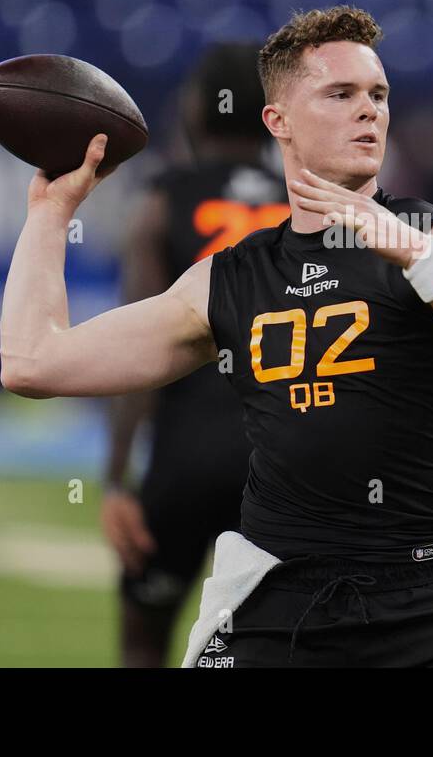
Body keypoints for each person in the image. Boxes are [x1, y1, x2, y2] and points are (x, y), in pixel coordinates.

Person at [0, 6, 433, 667]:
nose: (370, 111)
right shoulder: (230, 279)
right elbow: (34, 362)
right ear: (279, 122)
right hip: (278, 605)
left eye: (378, 95)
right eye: (341, 93)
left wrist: (420, 259)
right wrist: (49, 213)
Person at [101, 43, 288, 667]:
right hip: (279, 457)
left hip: (183, 456)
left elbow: (137, 353)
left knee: (143, 642)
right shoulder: (306, 204)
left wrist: (115, 478)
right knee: (282, 649)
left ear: (198, 110)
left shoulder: (160, 203)